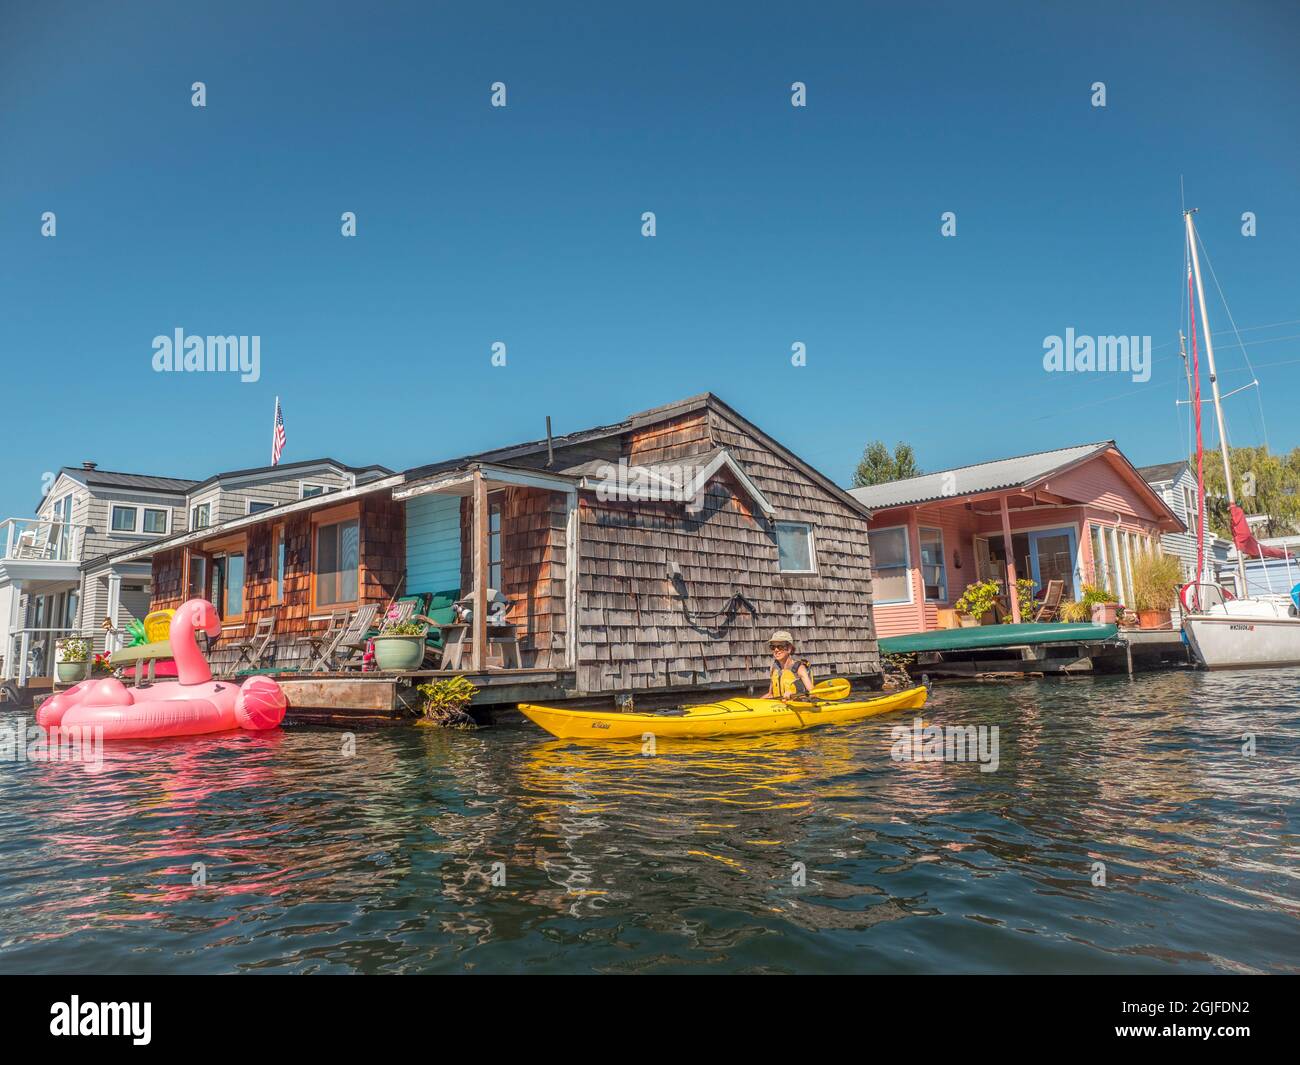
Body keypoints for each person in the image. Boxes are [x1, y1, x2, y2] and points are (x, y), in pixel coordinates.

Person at [767, 631, 814, 700]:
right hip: (778, 706)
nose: (776, 650)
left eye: (780, 646)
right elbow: (770, 695)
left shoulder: (799, 668)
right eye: (773, 647)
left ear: (789, 649)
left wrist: (794, 695)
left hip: (798, 706)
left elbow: (813, 694)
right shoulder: (774, 668)